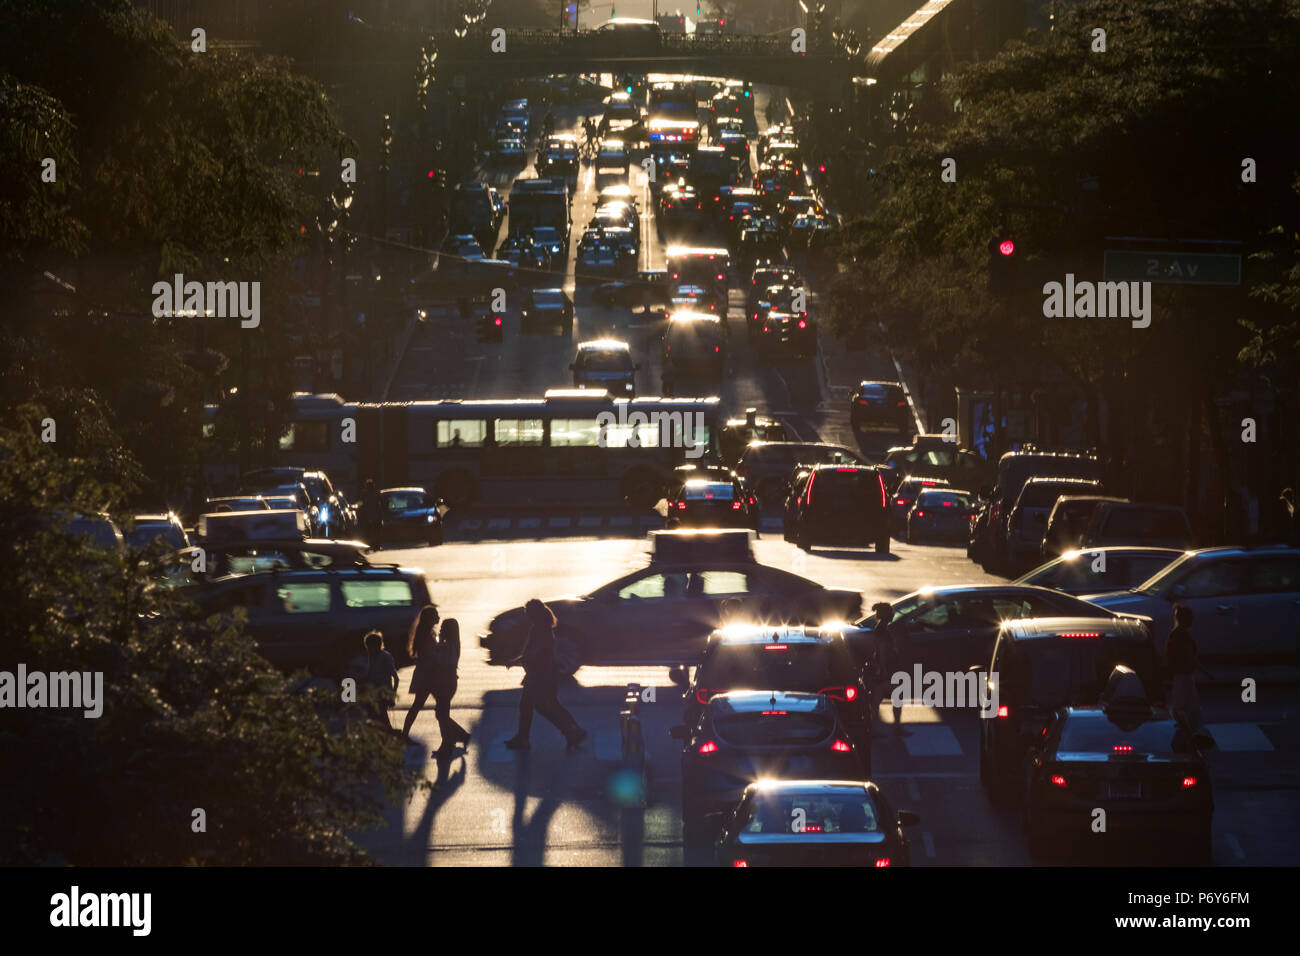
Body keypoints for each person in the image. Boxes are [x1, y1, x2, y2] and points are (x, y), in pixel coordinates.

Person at [505, 599, 587, 752]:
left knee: (536, 706)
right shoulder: (541, 628)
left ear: (534, 613)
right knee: (541, 705)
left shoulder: (540, 630)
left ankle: (570, 731)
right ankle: (572, 730)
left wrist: (519, 660)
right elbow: (531, 651)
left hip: (539, 674)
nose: (526, 614)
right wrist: (519, 660)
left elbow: (534, 651)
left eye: (527, 611)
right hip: (543, 673)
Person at [431, 618, 471, 757]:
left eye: (443, 628)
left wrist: (439, 643)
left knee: (442, 713)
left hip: (446, 682)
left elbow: (443, 662)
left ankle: (450, 741)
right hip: (444, 682)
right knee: (441, 713)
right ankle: (454, 738)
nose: (441, 630)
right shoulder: (449, 644)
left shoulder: (450, 646)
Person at [401, 605, 440, 741]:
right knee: (437, 707)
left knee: (421, 706)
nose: (439, 617)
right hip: (427, 675)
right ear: (430, 619)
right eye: (436, 615)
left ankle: (454, 736)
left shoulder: (427, 633)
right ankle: (454, 736)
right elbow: (429, 654)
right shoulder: (426, 635)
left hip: (427, 674)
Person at [869, 602, 905, 734]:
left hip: (884, 670)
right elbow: (882, 651)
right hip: (886, 671)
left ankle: (874, 729)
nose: (893, 614)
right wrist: (884, 670)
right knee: (895, 697)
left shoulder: (881, 628)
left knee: (877, 701)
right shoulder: (882, 631)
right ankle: (895, 727)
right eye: (891, 612)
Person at [1166, 604, 1202, 732]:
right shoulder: (1181, 635)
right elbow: (1187, 654)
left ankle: (1186, 726)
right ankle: (1185, 728)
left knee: (1186, 702)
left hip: (1183, 673)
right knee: (1184, 702)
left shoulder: (1177, 634)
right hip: (1183, 673)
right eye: (1190, 618)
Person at [362, 630, 399, 731]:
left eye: (372, 646)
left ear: (379, 645)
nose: (369, 649)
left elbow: (396, 678)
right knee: (374, 719)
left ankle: (393, 738)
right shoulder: (368, 657)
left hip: (383, 693)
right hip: (371, 694)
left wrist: (392, 695)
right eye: (368, 646)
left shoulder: (385, 657)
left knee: (382, 719)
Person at [360, 478, 381, 545]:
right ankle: (372, 543)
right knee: (373, 531)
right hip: (371, 514)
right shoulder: (376, 493)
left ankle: (372, 543)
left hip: (371, 514)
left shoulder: (365, 494)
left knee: (372, 531)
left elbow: (362, 504)